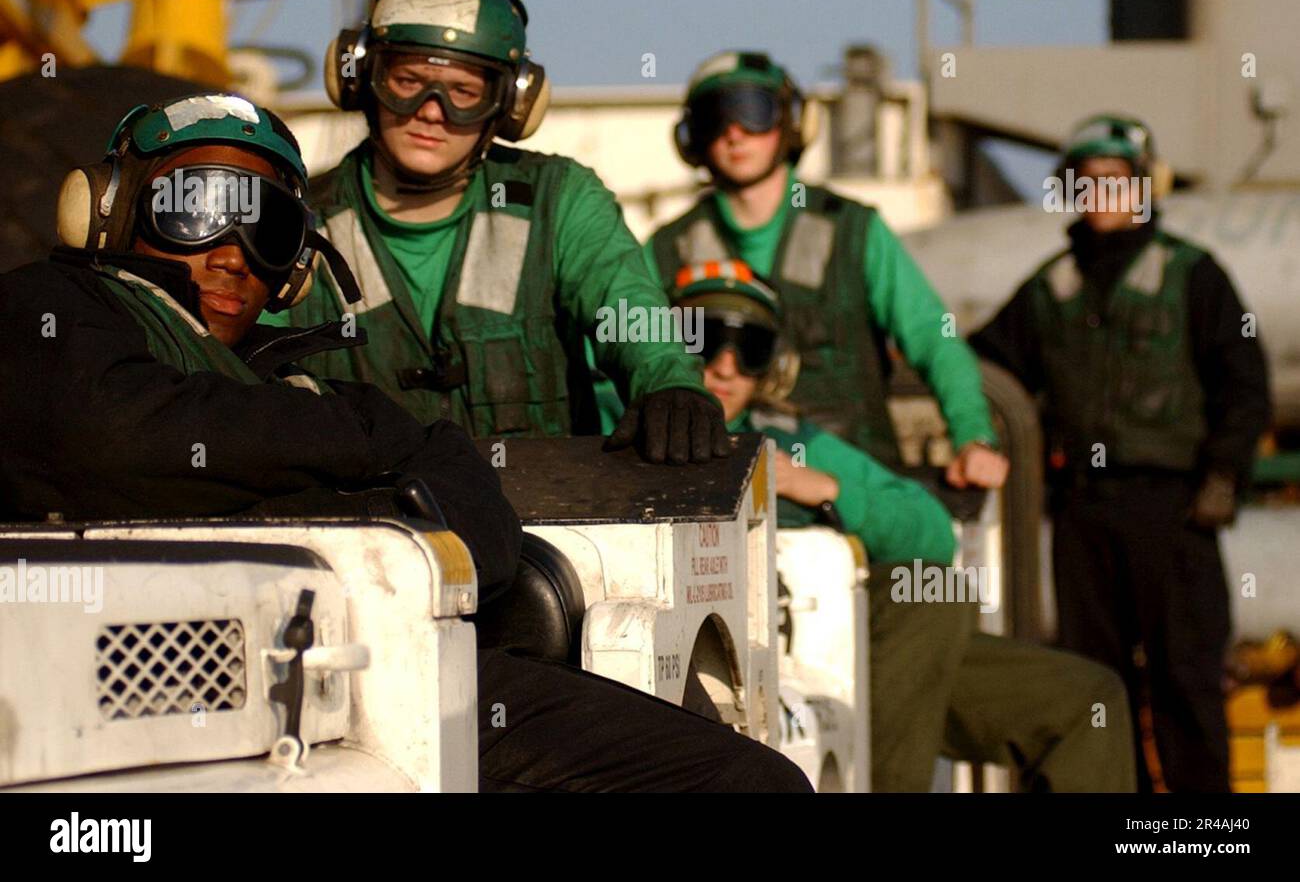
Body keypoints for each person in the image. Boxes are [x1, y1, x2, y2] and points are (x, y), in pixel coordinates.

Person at [0, 93, 811, 793]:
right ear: (107, 208)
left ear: (295, 268)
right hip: (145, 702)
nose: (230, 251)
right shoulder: (50, 308)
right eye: (196, 208)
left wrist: (337, 467)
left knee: (748, 780)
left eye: (269, 227)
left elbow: (484, 536)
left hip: (391, 684)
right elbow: (116, 438)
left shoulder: (303, 389)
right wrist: (366, 473)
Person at [673, 259, 1137, 792]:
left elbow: (931, 533)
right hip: (710, 658)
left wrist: (822, 488)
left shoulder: (787, 440)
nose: (727, 367)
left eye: (749, 348)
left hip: (840, 649)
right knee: (929, 603)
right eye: (704, 340)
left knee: (1089, 699)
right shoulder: (618, 416)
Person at [263, 0, 726, 465]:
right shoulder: (297, 215)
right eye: (408, 81)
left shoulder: (560, 199)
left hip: (547, 527)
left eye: (463, 92)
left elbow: (625, 307)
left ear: (511, 104)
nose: (432, 111)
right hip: (366, 531)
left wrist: (669, 381)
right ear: (360, 78)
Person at [971, 114, 1271, 792]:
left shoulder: (1193, 277)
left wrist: (1223, 474)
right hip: (1084, 514)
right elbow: (985, 365)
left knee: (1185, 681)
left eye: (1117, 181)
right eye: (1087, 181)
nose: (1102, 194)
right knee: (1094, 684)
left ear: (1144, 188)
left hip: (1175, 513)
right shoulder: (1051, 289)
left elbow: (1242, 384)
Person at [648, 50, 1007, 488]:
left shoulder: (853, 232)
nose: (735, 133)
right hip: (720, 491)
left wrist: (973, 436)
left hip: (858, 487)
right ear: (691, 138)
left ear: (792, 124)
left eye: (753, 112)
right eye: (714, 118)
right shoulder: (668, 249)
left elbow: (933, 335)